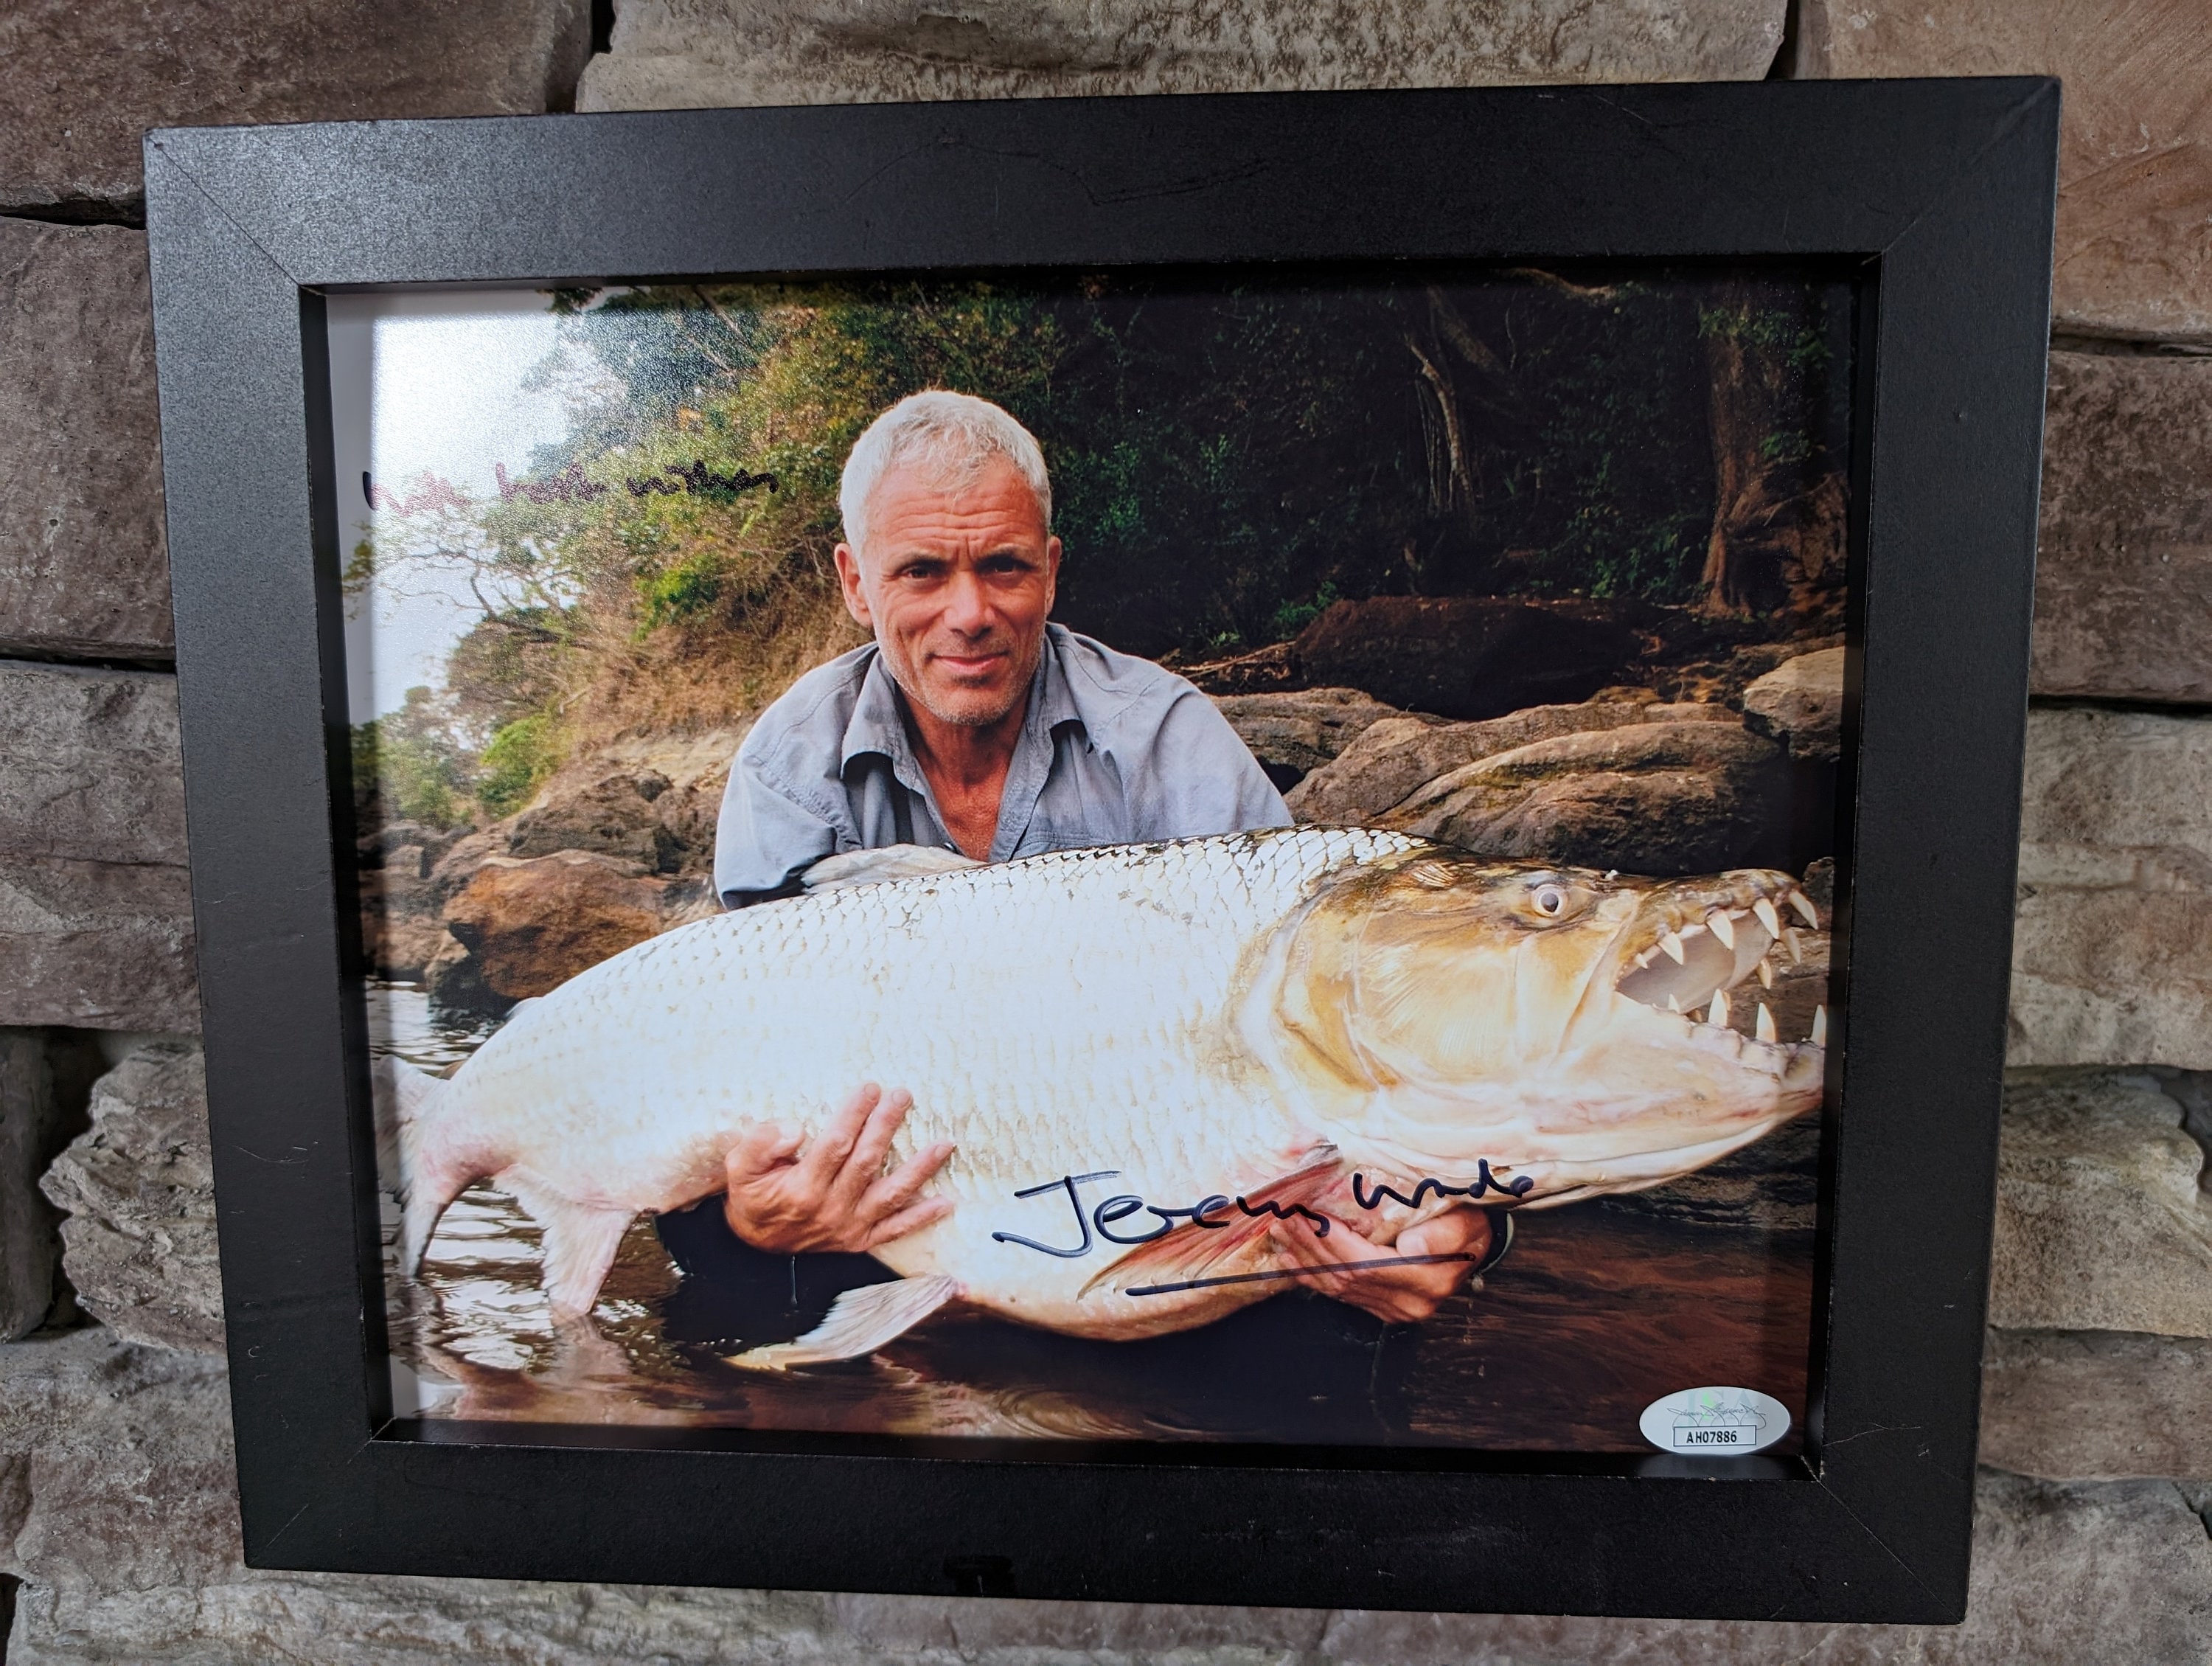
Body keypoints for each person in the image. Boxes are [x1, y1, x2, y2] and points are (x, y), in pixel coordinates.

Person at [665, 390, 1491, 1334]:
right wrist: (752, 1217)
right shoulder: (787, 767)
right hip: (901, 1203)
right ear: (857, 585)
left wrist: (1459, 1218)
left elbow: (1335, 1033)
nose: (969, 613)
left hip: (1158, 1199)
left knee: (1329, 1324)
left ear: (1051, 572)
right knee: (716, 1263)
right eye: (923, 572)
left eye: (1005, 566)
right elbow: (736, 1063)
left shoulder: (1167, 740)